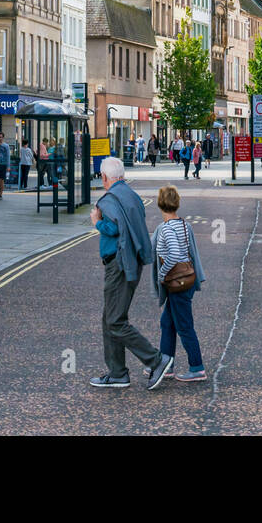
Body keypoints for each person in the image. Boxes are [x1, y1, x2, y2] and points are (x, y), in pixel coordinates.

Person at [89, 157, 172, 389]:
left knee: (114, 320)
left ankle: (156, 360)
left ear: (105, 177)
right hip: (131, 261)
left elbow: (113, 227)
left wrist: (97, 222)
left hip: (118, 265)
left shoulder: (108, 200)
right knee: (110, 318)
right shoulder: (131, 195)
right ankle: (117, 373)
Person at [149, 185, 207, 383]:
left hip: (176, 283)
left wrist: (162, 275)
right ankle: (167, 366)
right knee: (168, 323)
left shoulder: (165, 229)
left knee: (184, 326)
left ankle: (197, 367)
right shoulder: (184, 224)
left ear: (160, 204)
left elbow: (173, 255)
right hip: (186, 281)